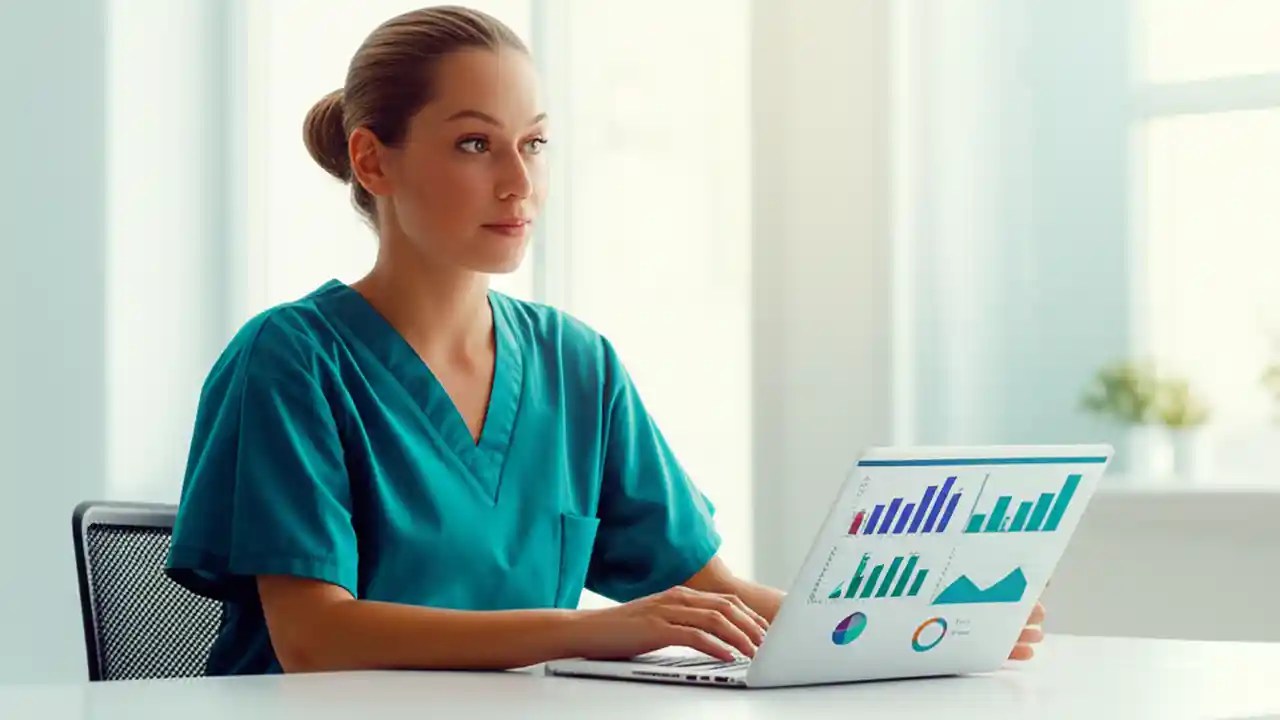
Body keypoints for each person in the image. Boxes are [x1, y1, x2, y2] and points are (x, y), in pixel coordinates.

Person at [165, 5, 1045, 675]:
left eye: (536, 144)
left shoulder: (574, 364)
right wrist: (596, 631)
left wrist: (918, 622)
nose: (520, 183)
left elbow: (715, 598)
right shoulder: (292, 359)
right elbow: (316, 637)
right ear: (373, 161)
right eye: (476, 144)